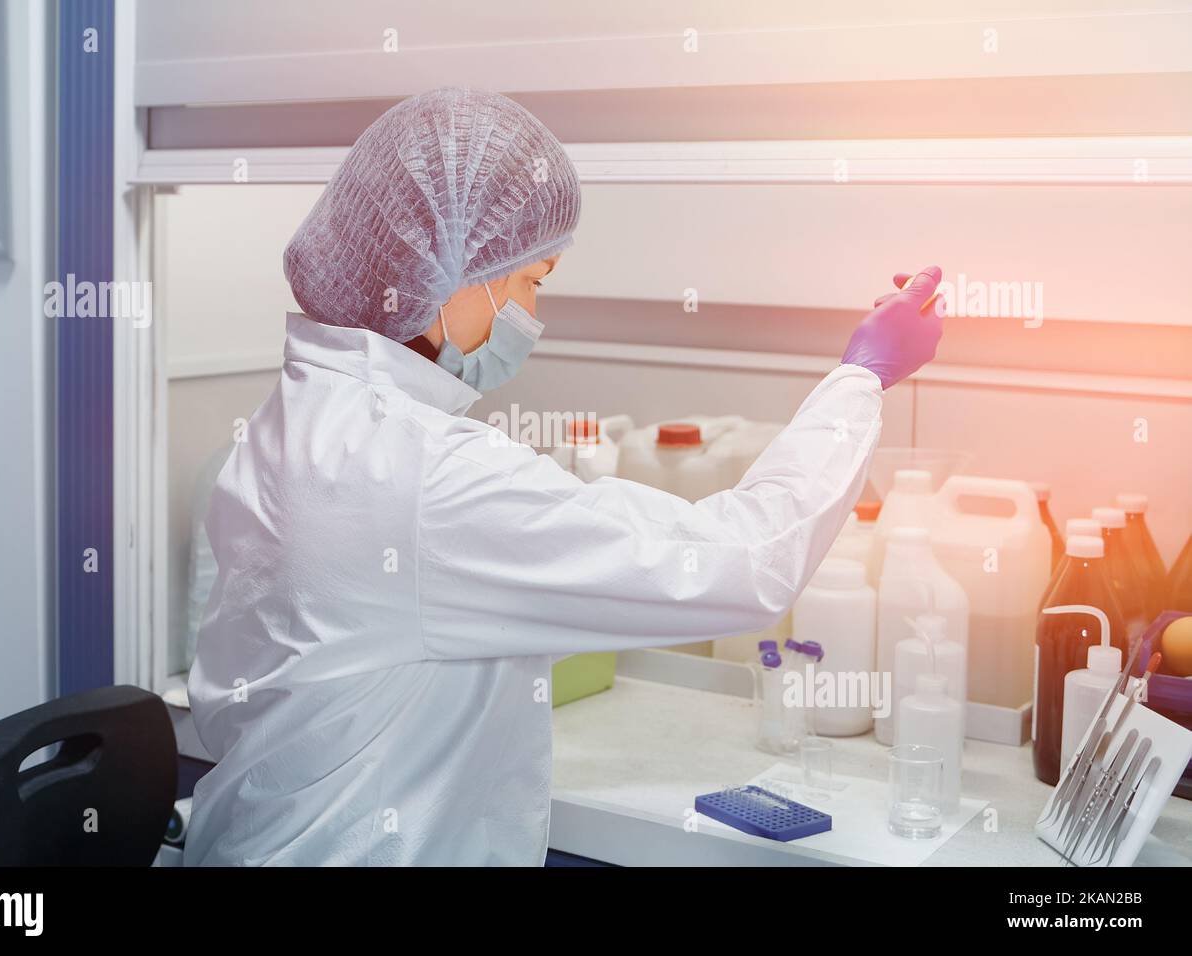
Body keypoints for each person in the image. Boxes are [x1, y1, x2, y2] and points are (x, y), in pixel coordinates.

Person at [185, 88, 944, 866]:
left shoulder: (294, 421)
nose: (531, 316)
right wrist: (861, 379)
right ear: (442, 272)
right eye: (532, 280)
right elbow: (739, 561)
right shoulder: (429, 477)